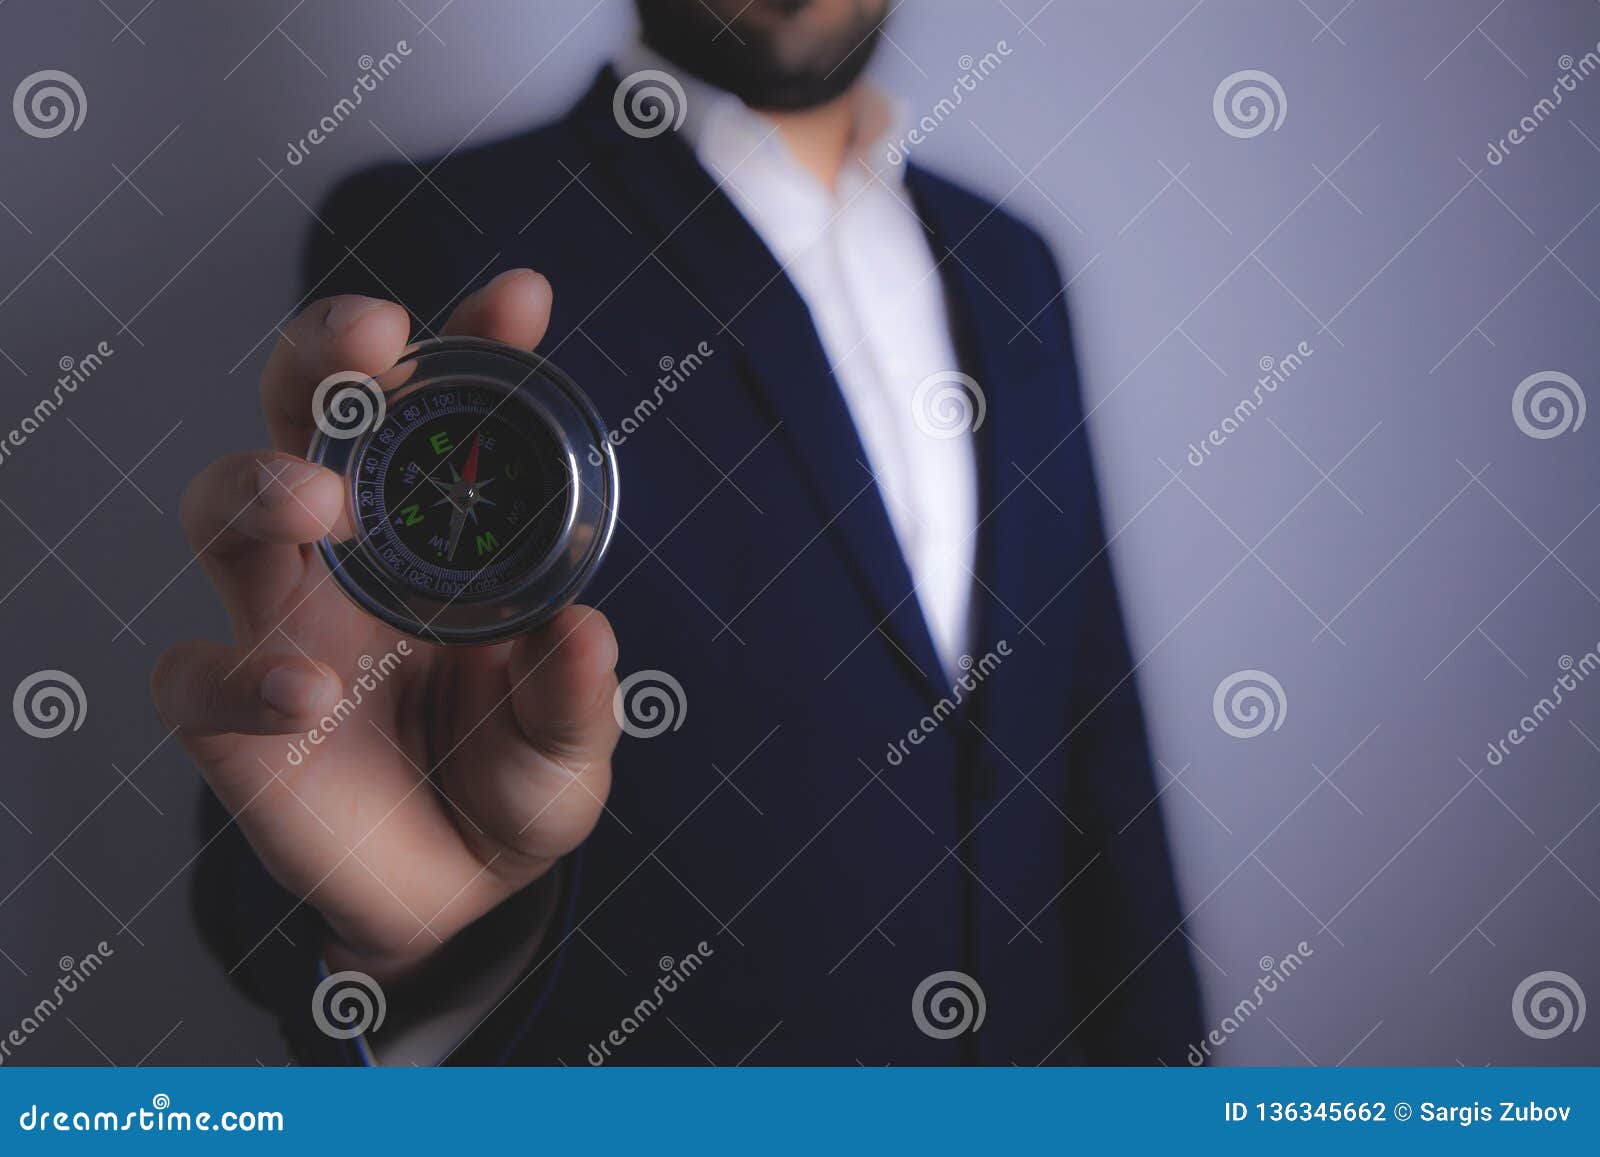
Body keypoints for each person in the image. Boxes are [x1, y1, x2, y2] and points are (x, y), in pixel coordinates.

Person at [154, 0, 1202, 1065]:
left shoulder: (1010, 262)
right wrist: (402, 948)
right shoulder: (444, 223)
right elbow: (334, 736)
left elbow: (1094, 727)